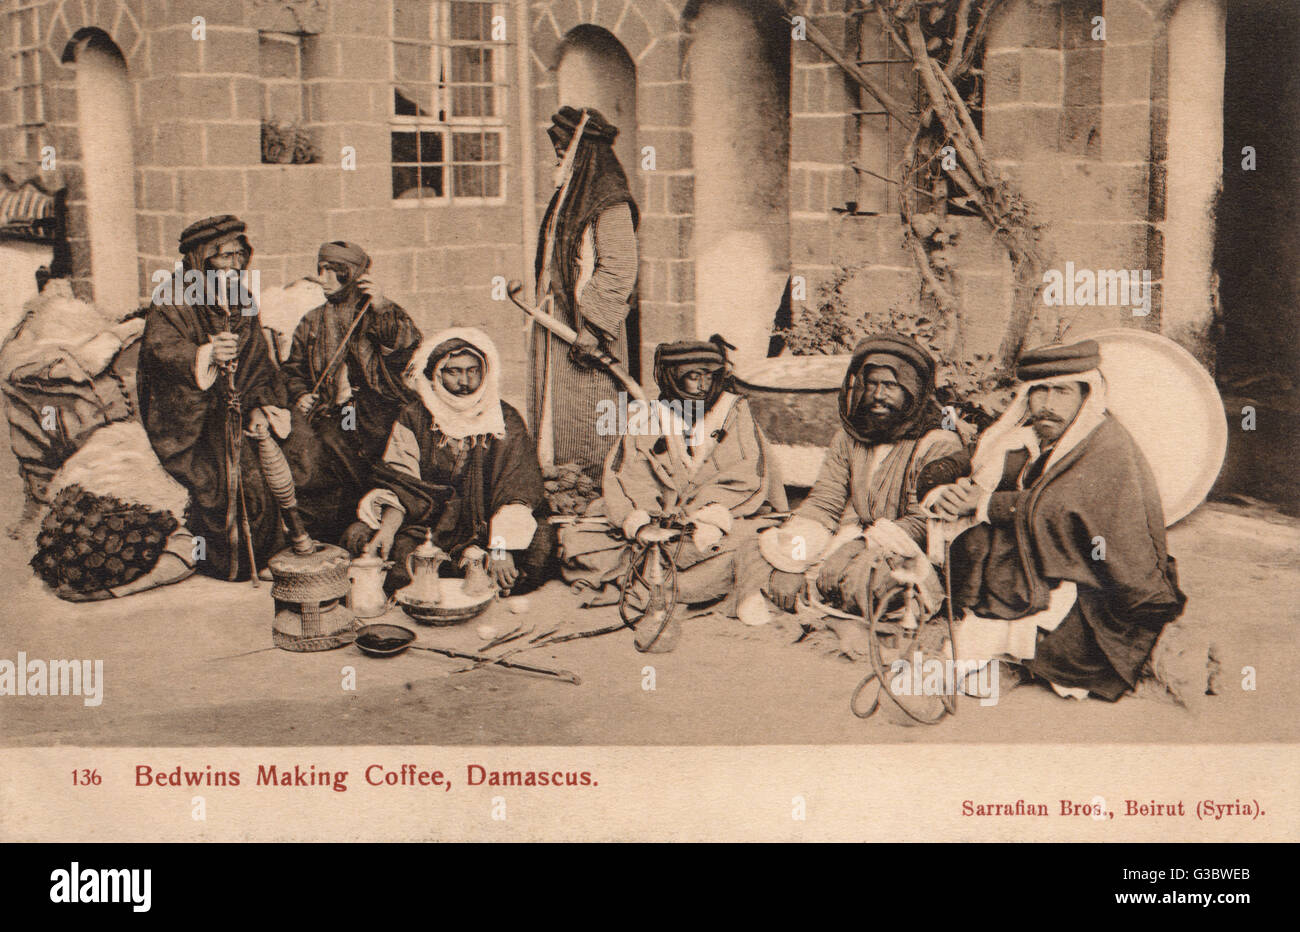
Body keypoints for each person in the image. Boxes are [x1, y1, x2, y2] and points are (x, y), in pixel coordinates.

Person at [924, 339, 1186, 701]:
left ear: (1084, 396)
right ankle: (999, 651)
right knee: (985, 550)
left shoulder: (1106, 444)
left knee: (1066, 645)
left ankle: (1014, 658)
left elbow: (1063, 508)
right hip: (1050, 561)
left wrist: (985, 504)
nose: (1047, 405)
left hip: (1099, 578)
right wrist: (951, 493)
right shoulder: (1033, 438)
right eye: (1039, 392)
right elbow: (981, 470)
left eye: (1061, 391)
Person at [728, 333, 967, 625]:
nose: (878, 395)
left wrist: (856, 547)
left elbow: (921, 522)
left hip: (903, 548)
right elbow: (825, 501)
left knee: (864, 579)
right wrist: (795, 554)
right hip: (852, 535)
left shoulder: (938, 443)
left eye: (890, 386)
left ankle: (808, 592)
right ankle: (803, 587)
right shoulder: (851, 436)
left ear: (913, 390)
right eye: (871, 384)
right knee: (756, 547)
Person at [559, 335, 787, 605]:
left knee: (752, 543)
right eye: (693, 376)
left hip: (717, 522)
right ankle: (666, 575)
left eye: (709, 376)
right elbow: (628, 477)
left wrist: (701, 516)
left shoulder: (734, 413)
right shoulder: (649, 418)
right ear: (674, 379)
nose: (703, 385)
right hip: (662, 526)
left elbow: (746, 477)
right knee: (576, 544)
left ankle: (656, 578)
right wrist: (645, 522)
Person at [341, 328, 554, 595]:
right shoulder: (414, 416)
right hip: (430, 524)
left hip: (488, 524)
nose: (465, 380)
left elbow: (517, 488)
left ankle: (457, 573)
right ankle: (467, 576)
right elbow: (402, 483)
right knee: (360, 536)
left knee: (541, 543)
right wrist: (387, 530)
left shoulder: (505, 419)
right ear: (437, 373)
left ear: (484, 371)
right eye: (454, 371)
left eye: (473, 370)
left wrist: (501, 547)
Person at [136, 214, 291, 580]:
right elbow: (160, 353)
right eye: (223, 257)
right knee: (223, 483)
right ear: (201, 259)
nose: (234, 265)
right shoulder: (172, 298)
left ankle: (279, 553)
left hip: (239, 407)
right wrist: (205, 356)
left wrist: (256, 405)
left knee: (294, 462)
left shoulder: (242, 298)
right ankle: (232, 564)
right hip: (190, 414)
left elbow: (258, 361)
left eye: (239, 255)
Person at [279, 241, 421, 541]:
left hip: (378, 407)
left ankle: (380, 522)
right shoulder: (312, 321)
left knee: (370, 451)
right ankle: (334, 530)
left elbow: (407, 349)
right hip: (334, 410)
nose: (325, 279)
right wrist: (301, 394)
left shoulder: (377, 310)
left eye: (336, 272)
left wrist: (383, 307)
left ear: (355, 275)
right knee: (321, 449)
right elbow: (292, 370)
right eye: (322, 270)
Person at [528, 106, 639, 476]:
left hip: (588, 326)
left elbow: (620, 267)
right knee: (555, 412)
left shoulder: (609, 201)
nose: (558, 154)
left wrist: (592, 330)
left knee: (590, 409)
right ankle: (559, 482)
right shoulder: (569, 195)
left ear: (585, 151)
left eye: (564, 147)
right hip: (557, 319)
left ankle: (594, 485)